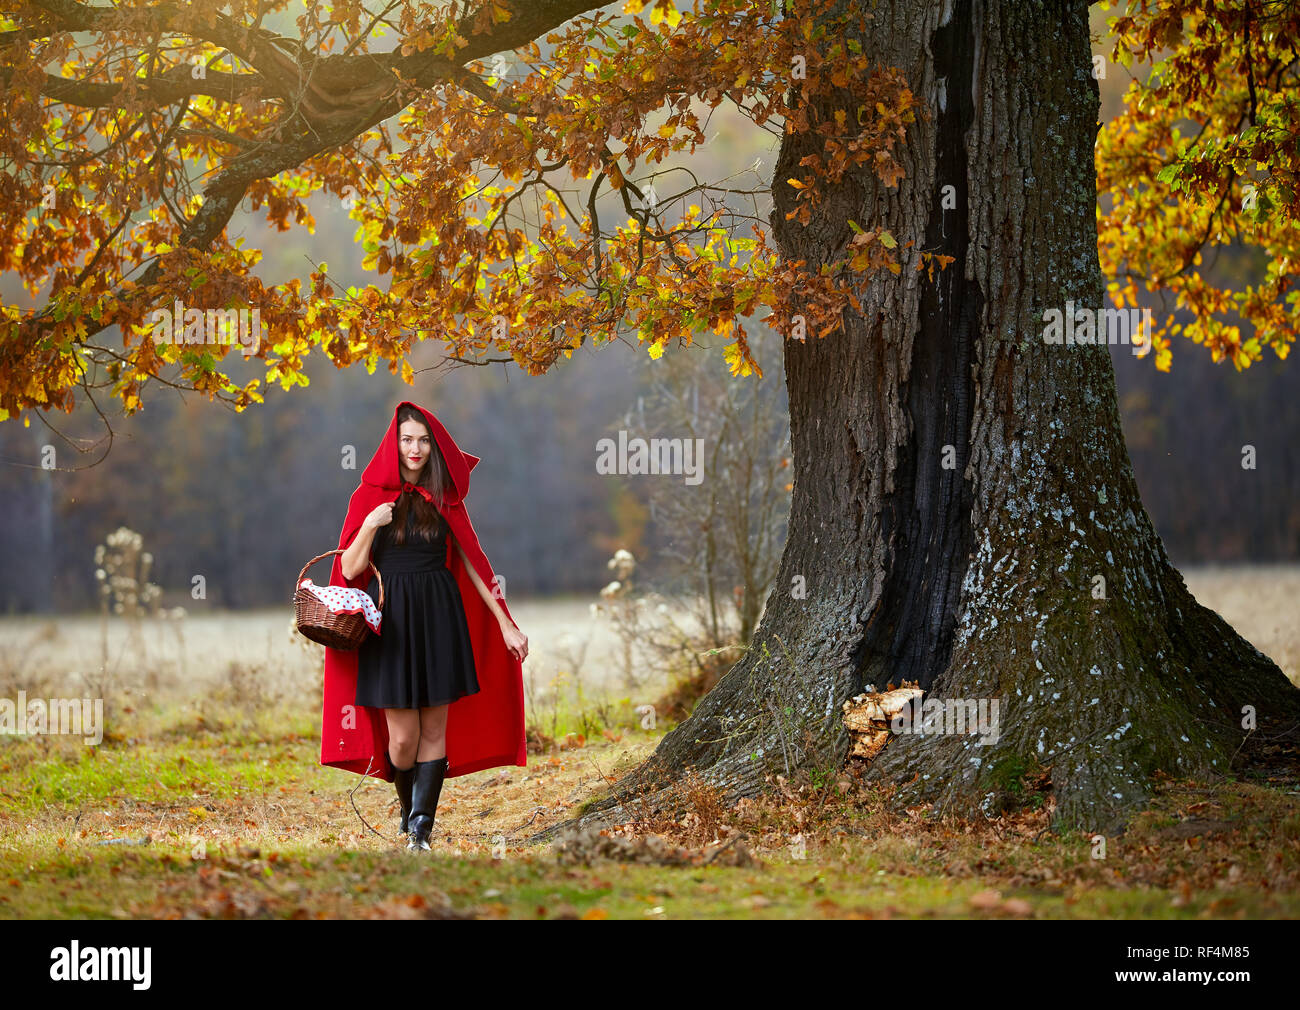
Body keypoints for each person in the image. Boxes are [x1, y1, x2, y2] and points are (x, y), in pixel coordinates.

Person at [320, 401, 528, 851]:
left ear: (434, 446)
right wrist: (371, 525)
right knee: (402, 741)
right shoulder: (369, 497)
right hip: (391, 622)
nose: (415, 449)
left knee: (435, 730)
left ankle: (420, 830)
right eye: (407, 440)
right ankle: (408, 808)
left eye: (423, 440)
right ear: (393, 445)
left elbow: (475, 564)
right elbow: (351, 567)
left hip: (438, 616)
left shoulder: (445, 496)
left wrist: (506, 624)